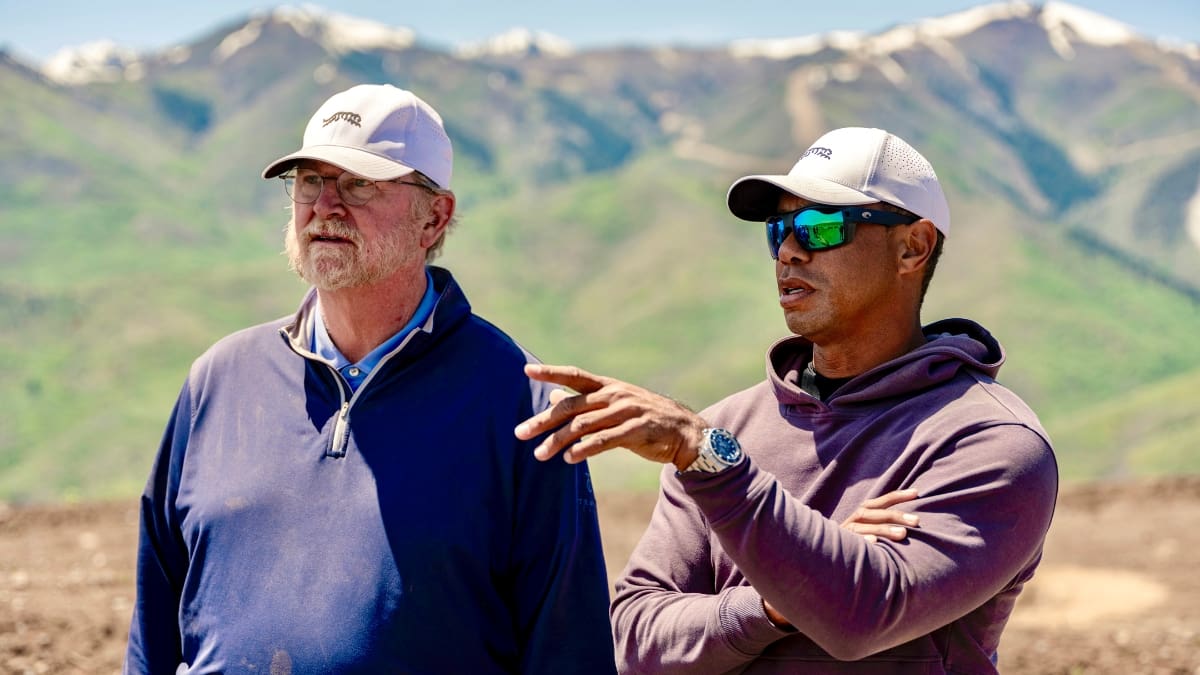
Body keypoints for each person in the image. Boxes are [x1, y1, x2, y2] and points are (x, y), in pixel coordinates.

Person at [516, 127, 1058, 673]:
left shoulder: (990, 442)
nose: (790, 253)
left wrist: (709, 459)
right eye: (779, 231)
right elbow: (635, 639)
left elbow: (862, 613)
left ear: (912, 248)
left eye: (821, 227)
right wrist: (773, 603)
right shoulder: (730, 423)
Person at [124, 84, 616, 674]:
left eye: (358, 184)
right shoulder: (219, 380)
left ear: (434, 217)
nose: (324, 206)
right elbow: (152, 630)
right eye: (309, 181)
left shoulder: (520, 403)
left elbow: (568, 652)